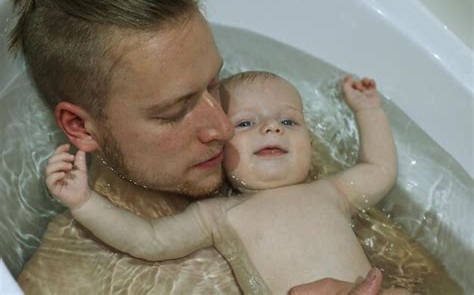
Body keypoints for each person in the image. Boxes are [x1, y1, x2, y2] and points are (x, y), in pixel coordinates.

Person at [10, 0, 388, 293]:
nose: (223, 127)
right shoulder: (71, 274)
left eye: (214, 84)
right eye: (175, 110)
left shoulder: (299, 168)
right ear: (80, 128)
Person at [46, 72, 407, 294]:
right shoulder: (220, 215)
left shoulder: (333, 192)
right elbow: (149, 240)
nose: (272, 127)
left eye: (290, 122)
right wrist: (84, 202)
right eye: (247, 124)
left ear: (310, 144)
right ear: (217, 148)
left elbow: (379, 169)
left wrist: (368, 110)